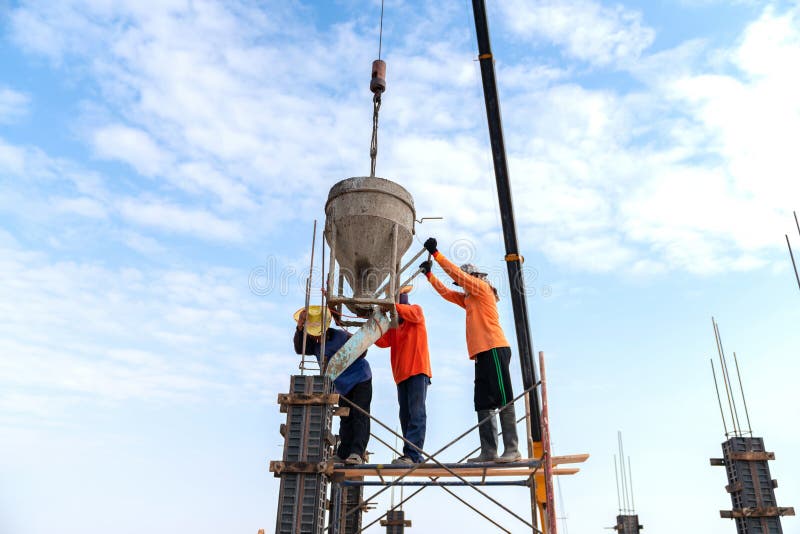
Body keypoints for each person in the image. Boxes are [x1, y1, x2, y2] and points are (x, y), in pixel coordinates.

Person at [419, 237, 521, 463]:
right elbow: (447, 293)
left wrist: (436, 254)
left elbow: (456, 275)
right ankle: (489, 451)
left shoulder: (482, 289)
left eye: (465, 282)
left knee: (503, 397)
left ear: (473, 279)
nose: (462, 286)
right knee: (483, 401)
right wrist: (429, 276)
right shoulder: (469, 299)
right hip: (482, 354)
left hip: (494, 347)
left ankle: (512, 448)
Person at [293, 305, 372, 465]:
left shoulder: (340, 337)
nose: (315, 337)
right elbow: (299, 348)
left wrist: (345, 354)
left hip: (360, 378)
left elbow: (363, 351)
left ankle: (357, 452)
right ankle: (343, 454)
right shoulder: (313, 344)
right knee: (345, 418)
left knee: (359, 415)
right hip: (342, 385)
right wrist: (300, 328)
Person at [374, 286, 432, 465]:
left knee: (416, 413)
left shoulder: (416, 312)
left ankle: (413, 455)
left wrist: (391, 306)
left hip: (417, 371)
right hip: (401, 376)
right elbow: (381, 341)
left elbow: (411, 313)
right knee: (405, 416)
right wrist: (374, 319)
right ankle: (413, 454)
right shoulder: (395, 327)